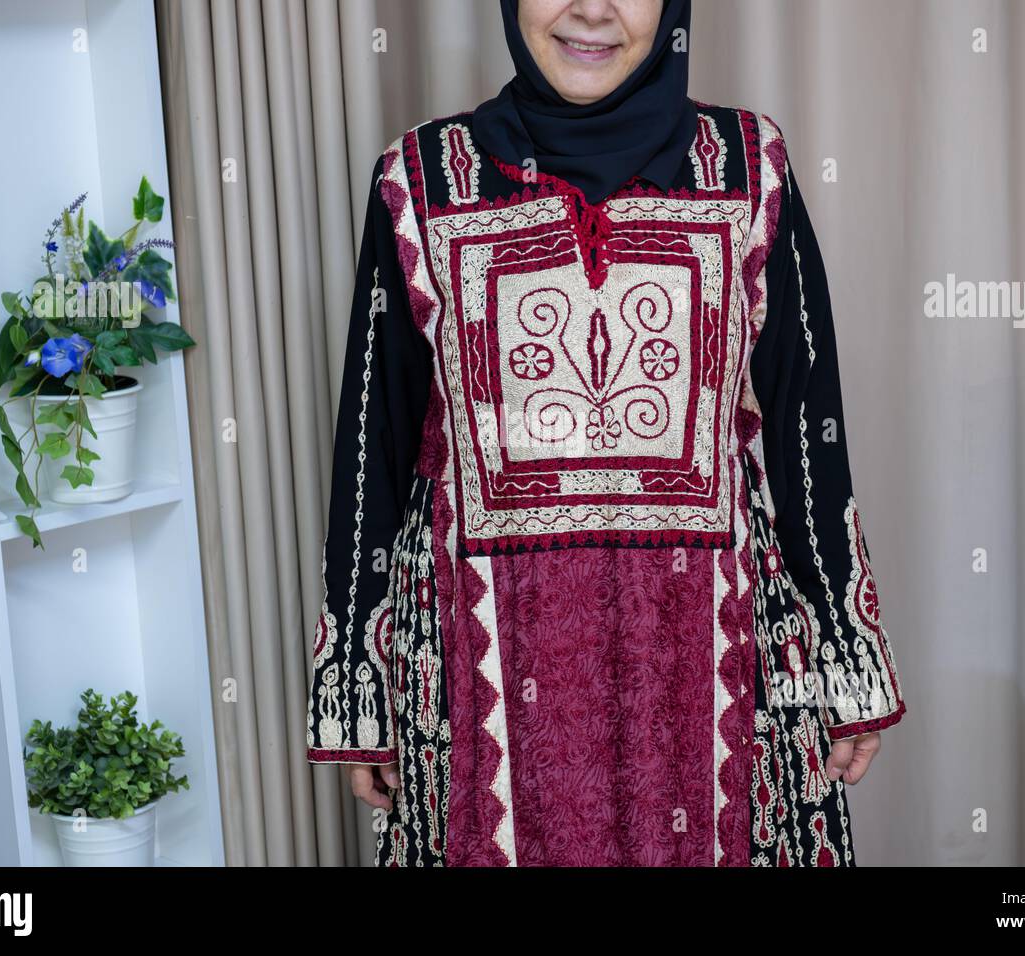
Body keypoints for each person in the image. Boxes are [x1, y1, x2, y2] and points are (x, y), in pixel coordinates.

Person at [305, 0, 906, 867]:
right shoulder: (420, 180)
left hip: (719, 667)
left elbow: (808, 426)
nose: (592, 8)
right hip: (482, 687)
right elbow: (375, 440)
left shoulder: (749, 168)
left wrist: (850, 660)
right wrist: (357, 690)